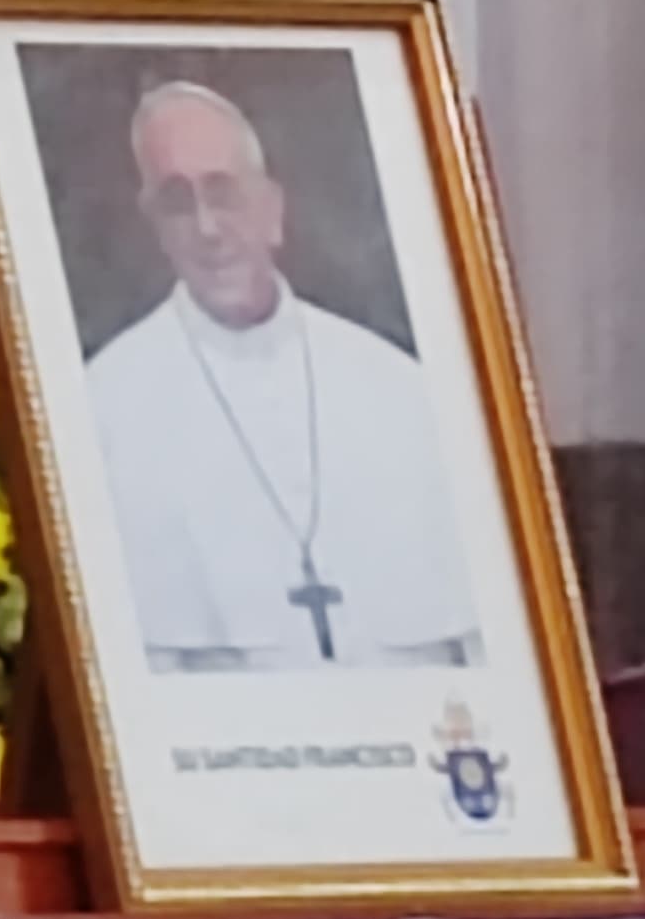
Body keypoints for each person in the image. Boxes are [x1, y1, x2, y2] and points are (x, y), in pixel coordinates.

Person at [79, 81, 482, 673]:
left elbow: (482, 652)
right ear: (155, 228)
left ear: (272, 209)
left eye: (223, 192)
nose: (208, 228)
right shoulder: (104, 405)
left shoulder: (402, 390)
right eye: (177, 202)